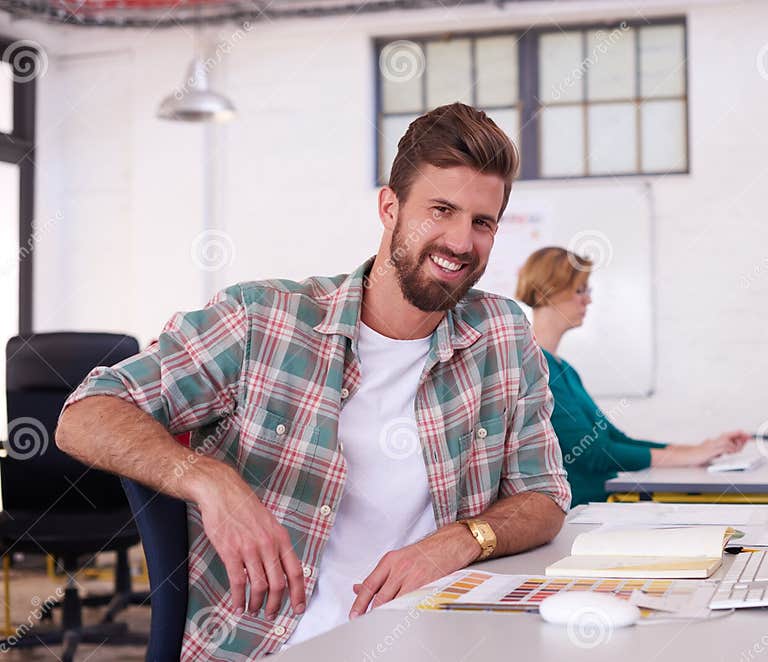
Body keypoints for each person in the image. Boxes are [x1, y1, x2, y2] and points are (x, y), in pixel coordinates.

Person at [55, 103, 571, 660]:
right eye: (440, 210)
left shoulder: (502, 334)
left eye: (481, 222)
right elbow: (84, 413)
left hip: (436, 637)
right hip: (272, 645)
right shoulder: (262, 320)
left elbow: (544, 495)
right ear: (389, 208)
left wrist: (462, 540)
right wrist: (209, 481)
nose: (459, 242)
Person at [515, 246, 750, 506]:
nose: (588, 300)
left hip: (606, 501)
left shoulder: (565, 369)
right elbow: (592, 453)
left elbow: (614, 440)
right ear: (545, 293)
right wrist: (691, 455)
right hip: (577, 511)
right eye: (579, 290)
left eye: (587, 290)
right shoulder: (535, 366)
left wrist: (697, 450)